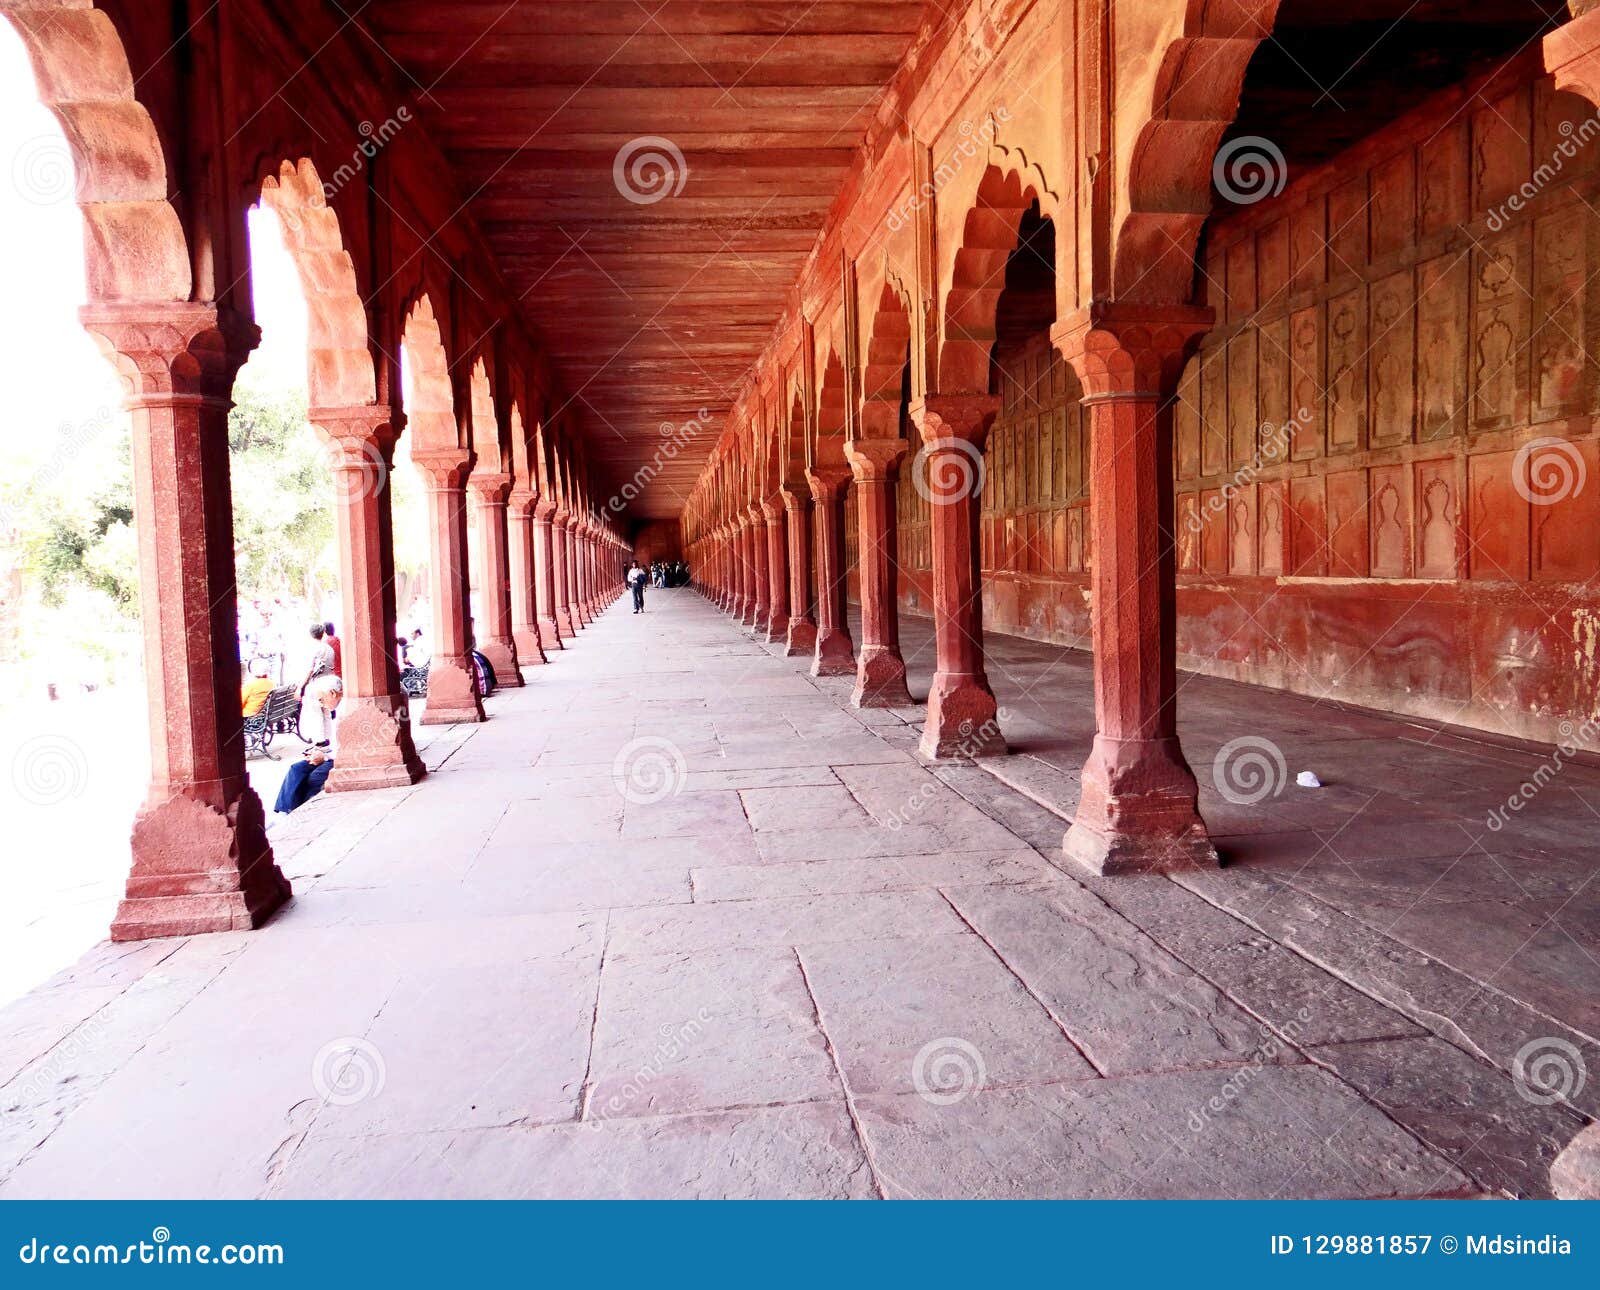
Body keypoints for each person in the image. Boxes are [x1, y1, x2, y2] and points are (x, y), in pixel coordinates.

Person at [299, 623, 341, 748]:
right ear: (323, 633)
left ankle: (319, 739)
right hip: (327, 682)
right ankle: (327, 737)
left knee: (314, 711)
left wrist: (300, 687)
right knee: (326, 711)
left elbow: (309, 669)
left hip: (316, 683)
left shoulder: (312, 648)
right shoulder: (328, 648)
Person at [274, 745, 334, 814]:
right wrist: (317, 751)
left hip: (336, 759)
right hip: (326, 754)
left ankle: (307, 808)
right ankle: (288, 808)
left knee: (316, 776)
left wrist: (324, 756)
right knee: (296, 768)